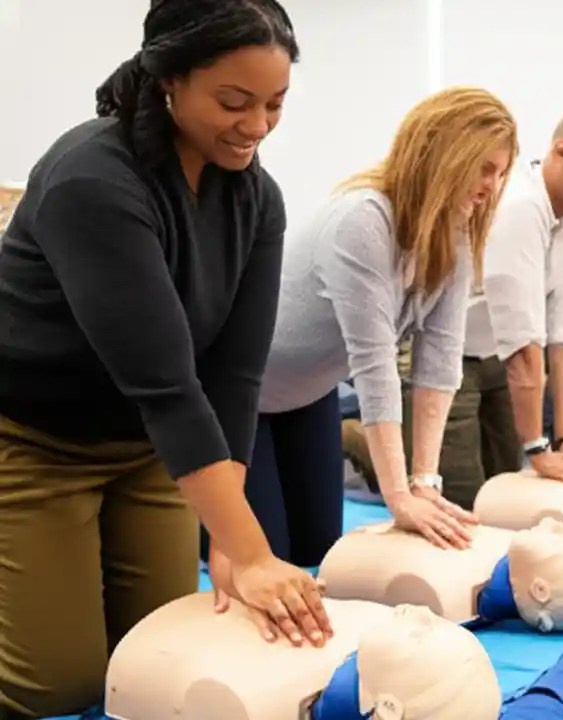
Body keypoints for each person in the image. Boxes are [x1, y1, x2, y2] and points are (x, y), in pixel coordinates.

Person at [0, 2, 333, 716]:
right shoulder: (92, 181)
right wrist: (249, 550)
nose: (256, 126)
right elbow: (166, 383)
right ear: (168, 81)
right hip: (32, 442)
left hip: (153, 452)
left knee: (156, 658)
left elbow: (236, 375)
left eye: (273, 104)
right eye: (233, 103)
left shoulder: (256, 197)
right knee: (58, 686)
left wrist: (230, 538)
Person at [251, 87, 517, 559]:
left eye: (500, 173)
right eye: (484, 168)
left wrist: (425, 484)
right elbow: (375, 367)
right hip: (241, 396)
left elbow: (437, 364)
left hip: (308, 396)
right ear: (443, 153)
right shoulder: (364, 220)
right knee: (269, 555)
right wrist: (397, 499)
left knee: (319, 550)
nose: (492, 187)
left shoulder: (454, 233)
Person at [449, 109, 563, 501]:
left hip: (495, 354)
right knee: (463, 497)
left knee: (504, 492)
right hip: (445, 354)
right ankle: (364, 442)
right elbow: (524, 334)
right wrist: (536, 449)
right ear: (561, 151)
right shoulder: (520, 205)